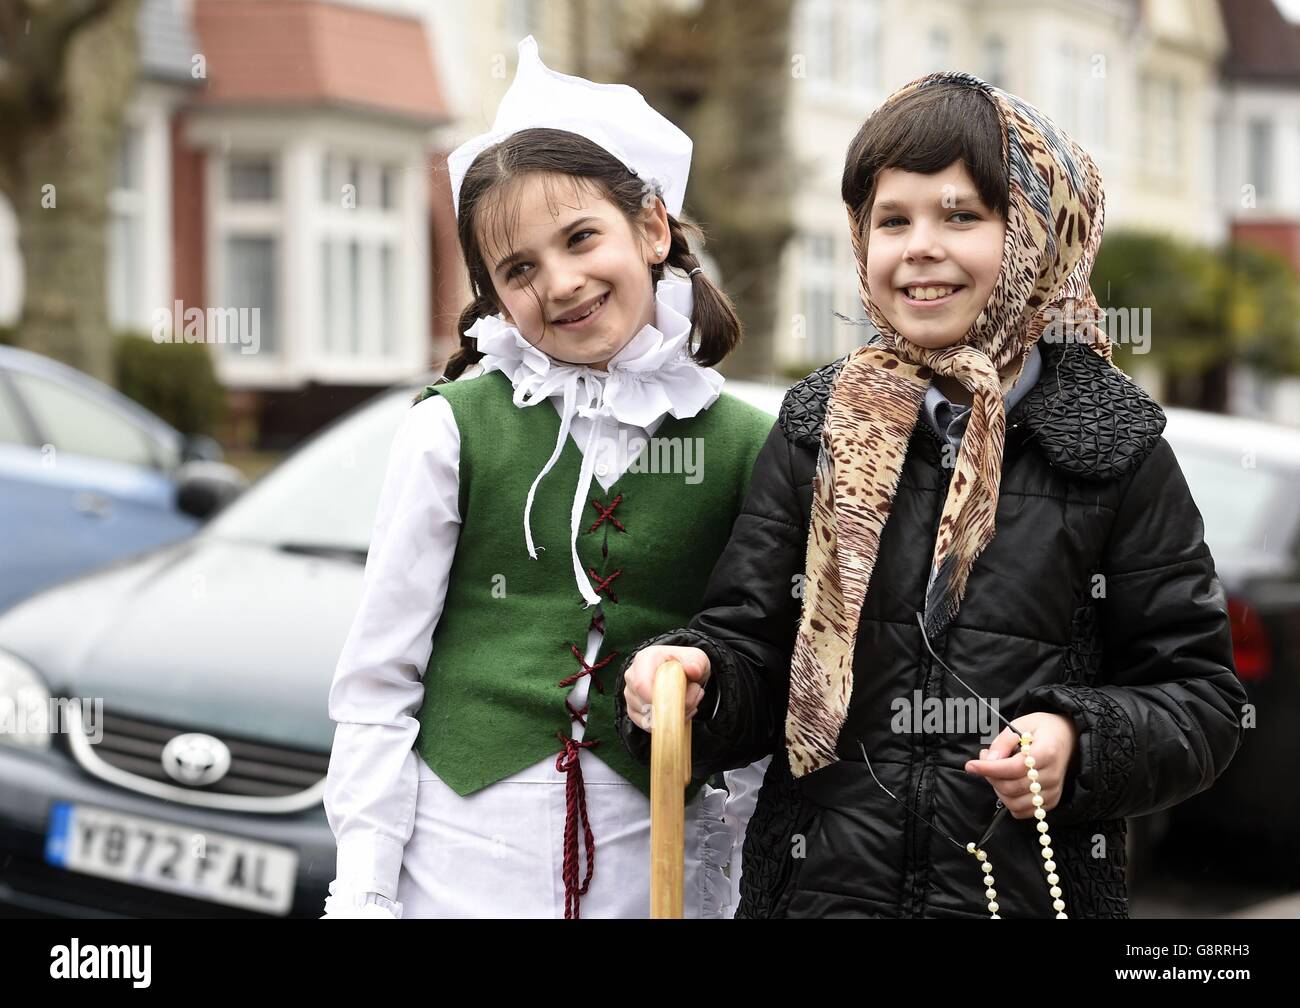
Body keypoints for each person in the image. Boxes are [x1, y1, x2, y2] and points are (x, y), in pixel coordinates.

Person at [616, 71, 1247, 919]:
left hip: (1021, 897)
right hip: (818, 899)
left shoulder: (1115, 449)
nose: (920, 245)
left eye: (960, 216)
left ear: (1032, 233)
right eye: (893, 220)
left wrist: (1078, 741)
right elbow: (754, 647)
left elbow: (1202, 702)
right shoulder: (819, 428)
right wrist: (700, 681)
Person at [319, 37, 773, 919]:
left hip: (649, 862)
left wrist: (728, 879)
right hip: (455, 861)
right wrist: (366, 886)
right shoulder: (450, 428)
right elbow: (378, 681)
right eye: (518, 269)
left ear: (651, 227)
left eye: (579, 238)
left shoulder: (751, 446)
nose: (559, 283)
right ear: (491, 292)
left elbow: (760, 692)